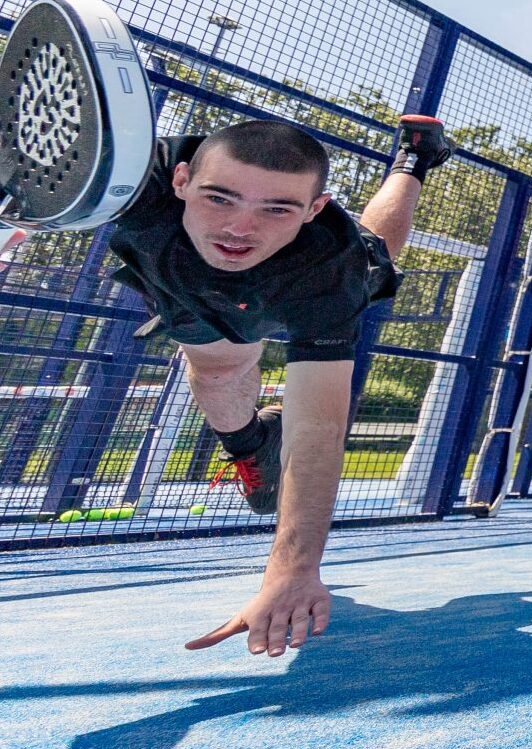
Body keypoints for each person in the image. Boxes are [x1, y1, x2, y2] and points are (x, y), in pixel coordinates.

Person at [107, 114, 449, 657]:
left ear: (315, 210)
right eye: (220, 199)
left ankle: (414, 159)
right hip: (180, 274)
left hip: (298, 277)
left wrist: (292, 569)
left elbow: (317, 424)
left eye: (277, 209)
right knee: (218, 370)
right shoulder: (124, 172)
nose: (240, 228)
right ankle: (253, 451)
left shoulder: (328, 269)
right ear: (179, 182)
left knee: (374, 245)